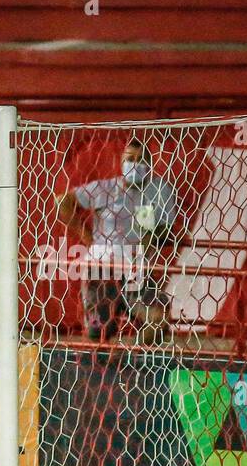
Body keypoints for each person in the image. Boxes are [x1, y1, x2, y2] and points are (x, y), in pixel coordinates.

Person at [55, 138, 178, 343]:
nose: (135, 164)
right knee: (98, 332)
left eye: (141, 160)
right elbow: (62, 201)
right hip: (102, 269)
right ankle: (102, 366)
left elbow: (165, 228)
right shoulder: (106, 188)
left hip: (135, 269)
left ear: (149, 165)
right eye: (130, 159)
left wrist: (146, 241)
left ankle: (134, 363)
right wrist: (86, 237)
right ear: (121, 162)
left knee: (158, 319)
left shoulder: (158, 190)